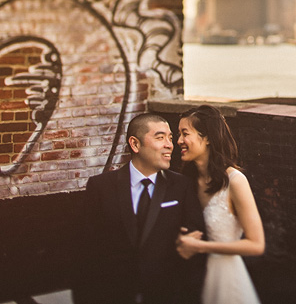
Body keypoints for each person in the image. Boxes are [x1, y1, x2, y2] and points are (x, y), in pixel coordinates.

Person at [74, 113, 206, 304]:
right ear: (135, 144)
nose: (170, 144)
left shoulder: (182, 186)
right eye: (160, 138)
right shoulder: (100, 187)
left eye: (170, 138)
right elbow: (84, 254)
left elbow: (195, 251)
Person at [176, 105, 265, 304]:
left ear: (207, 138)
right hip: (192, 280)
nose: (179, 141)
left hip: (226, 280)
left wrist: (200, 246)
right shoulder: (186, 181)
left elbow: (256, 245)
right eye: (178, 134)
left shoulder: (235, 181)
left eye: (185, 133)